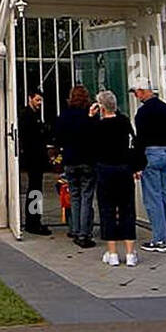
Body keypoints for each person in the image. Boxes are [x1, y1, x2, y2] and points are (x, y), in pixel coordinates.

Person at [89, 90, 137, 266]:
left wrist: (91, 117)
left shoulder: (98, 126)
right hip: (124, 170)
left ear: (100, 107)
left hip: (105, 171)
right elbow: (134, 144)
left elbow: (90, 146)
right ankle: (130, 253)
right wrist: (135, 166)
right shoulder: (124, 122)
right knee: (127, 209)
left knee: (107, 210)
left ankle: (112, 252)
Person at [133, 86, 166, 252]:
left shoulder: (142, 113)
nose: (136, 95)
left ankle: (159, 239)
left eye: (136, 92)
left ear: (143, 91)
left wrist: (138, 163)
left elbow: (140, 139)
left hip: (151, 153)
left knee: (153, 198)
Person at [53, 84, 96, 248]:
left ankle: (75, 229)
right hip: (87, 160)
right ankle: (84, 232)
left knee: (75, 196)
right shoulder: (89, 115)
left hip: (70, 159)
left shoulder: (64, 115)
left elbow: (58, 137)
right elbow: (94, 134)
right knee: (87, 197)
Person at [18, 91, 52, 235]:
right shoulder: (27, 116)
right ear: (29, 98)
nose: (39, 103)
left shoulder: (33, 115)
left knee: (36, 189)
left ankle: (35, 220)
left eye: (41, 100)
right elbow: (34, 135)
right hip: (34, 158)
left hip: (36, 157)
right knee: (35, 190)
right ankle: (33, 222)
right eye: (37, 100)